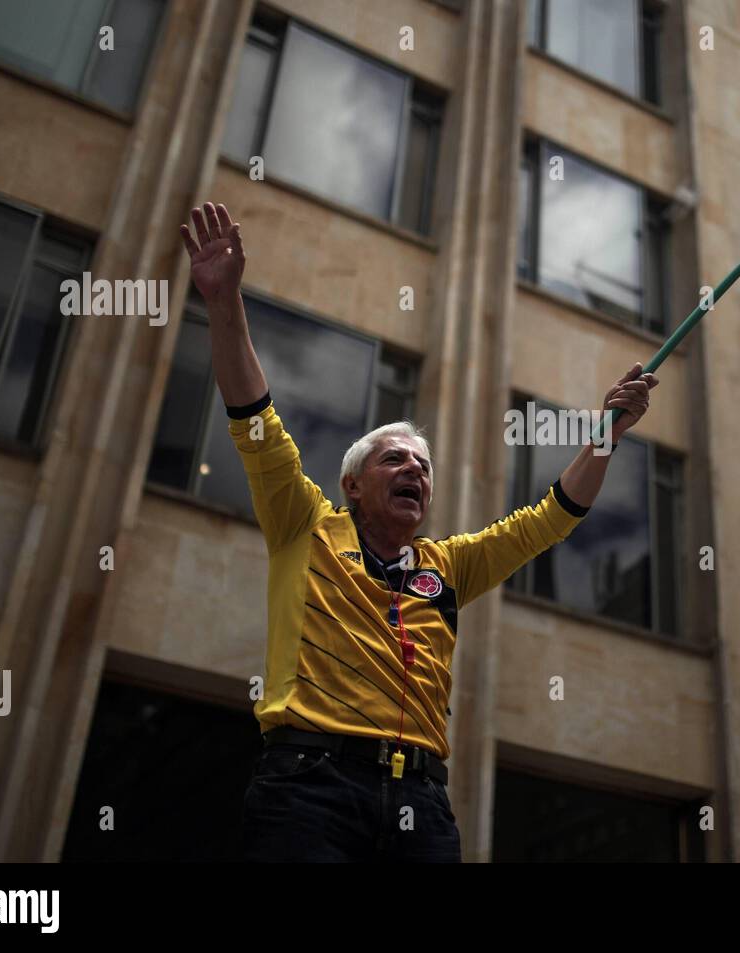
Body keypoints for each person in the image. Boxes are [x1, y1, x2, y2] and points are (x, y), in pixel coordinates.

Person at [179, 202, 657, 862]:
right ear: (352, 484)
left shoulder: (450, 566)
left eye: (424, 465)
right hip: (308, 788)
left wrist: (608, 431)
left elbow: (549, 519)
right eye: (395, 458)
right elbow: (252, 415)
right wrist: (225, 300)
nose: (415, 470)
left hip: (421, 806)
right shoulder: (305, 525)